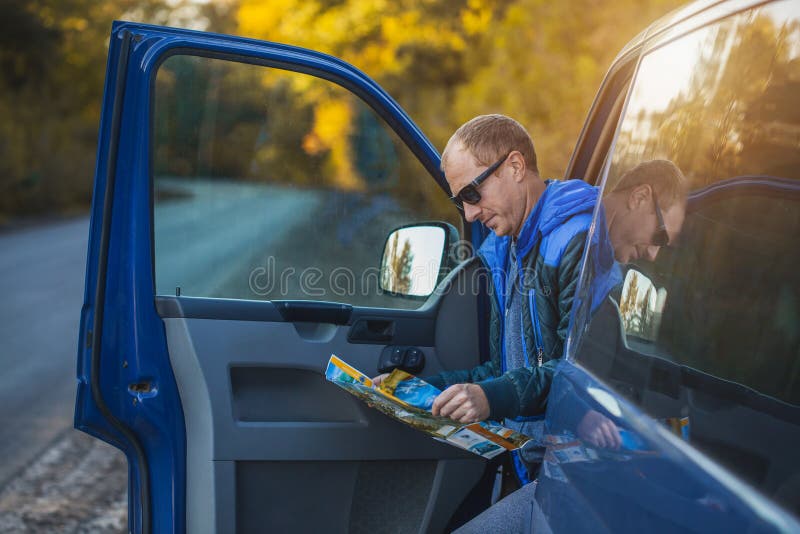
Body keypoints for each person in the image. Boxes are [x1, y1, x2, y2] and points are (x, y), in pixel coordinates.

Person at [453, 160, 688, 533]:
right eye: (660, 236)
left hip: (558, 476)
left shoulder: (600, 281)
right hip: (538, 467)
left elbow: (557, 375)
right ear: (641, 196)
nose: (654, 255)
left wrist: (489, 395)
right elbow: (523, 365)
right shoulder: (558, 252)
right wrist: (419, 388)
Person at [376, 114, 603, 484]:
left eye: (472, 193)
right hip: (528, 461)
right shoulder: (506, 253)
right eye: (460, 201)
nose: (469, 213)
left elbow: (579, 372)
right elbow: (504, 369)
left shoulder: (578, 241)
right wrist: (414, 390)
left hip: (570, 471)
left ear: (514, 166)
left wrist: (490, 398)